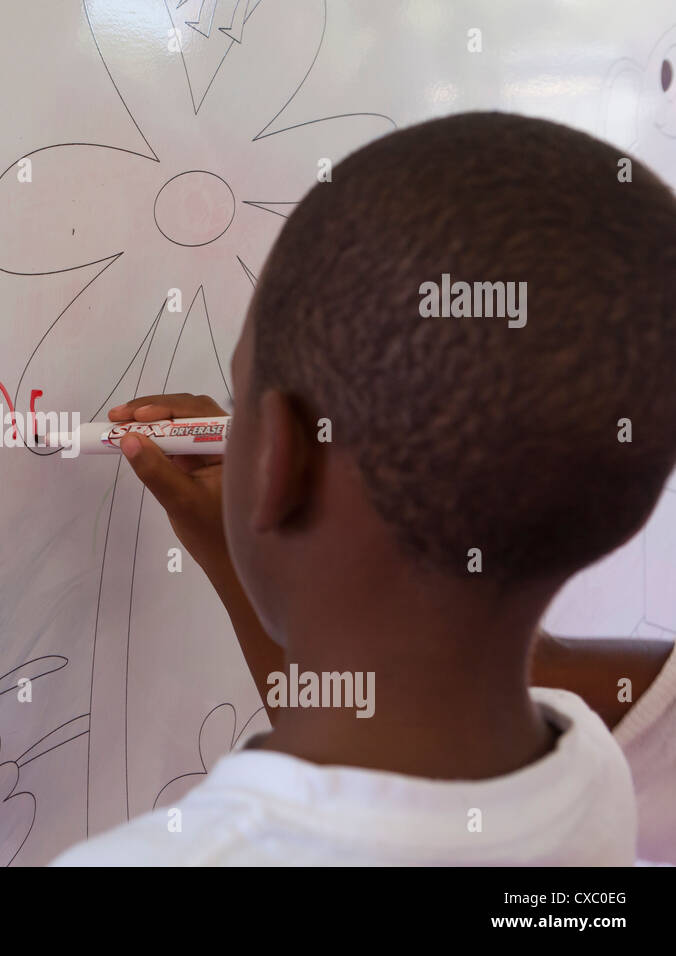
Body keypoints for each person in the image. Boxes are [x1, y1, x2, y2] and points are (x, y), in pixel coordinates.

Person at [52, 112, 676, 865]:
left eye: (238, 388)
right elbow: (375, 745)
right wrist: (248, 539)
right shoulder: (589, 774)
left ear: (279, 457)